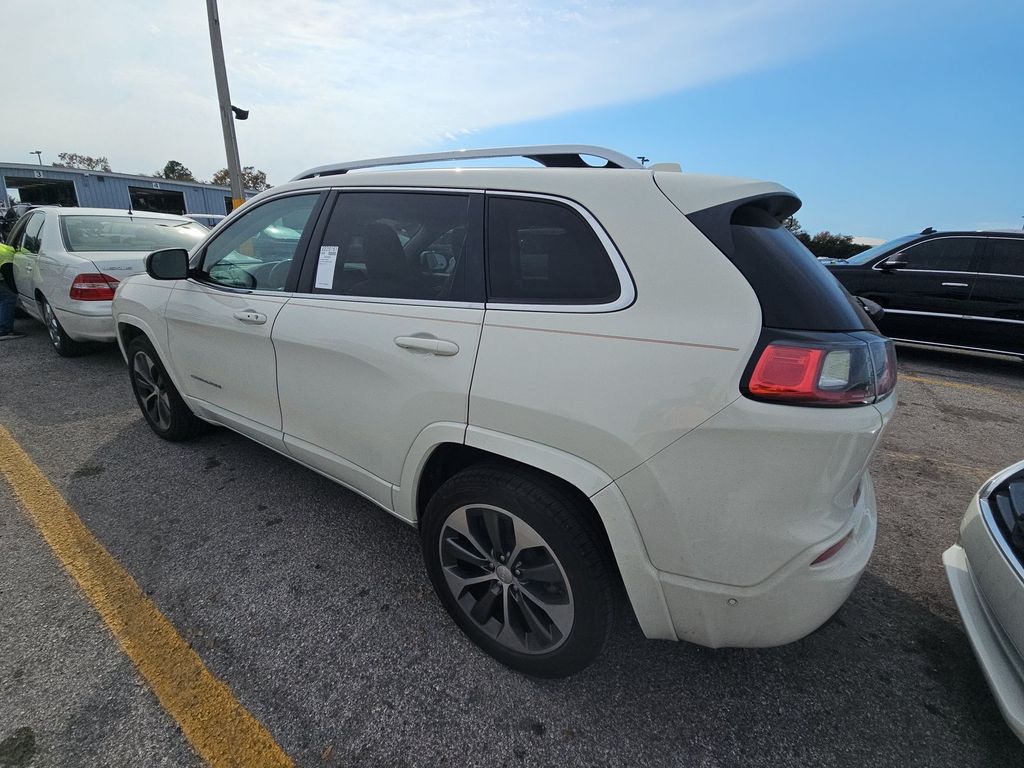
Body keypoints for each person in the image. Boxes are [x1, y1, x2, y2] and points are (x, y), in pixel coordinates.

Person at [0, 241, 24, 340]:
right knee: (9, 298)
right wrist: (17, 293)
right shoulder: (7, 256)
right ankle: (4, 330)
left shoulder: (4, 249)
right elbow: (9, 277)